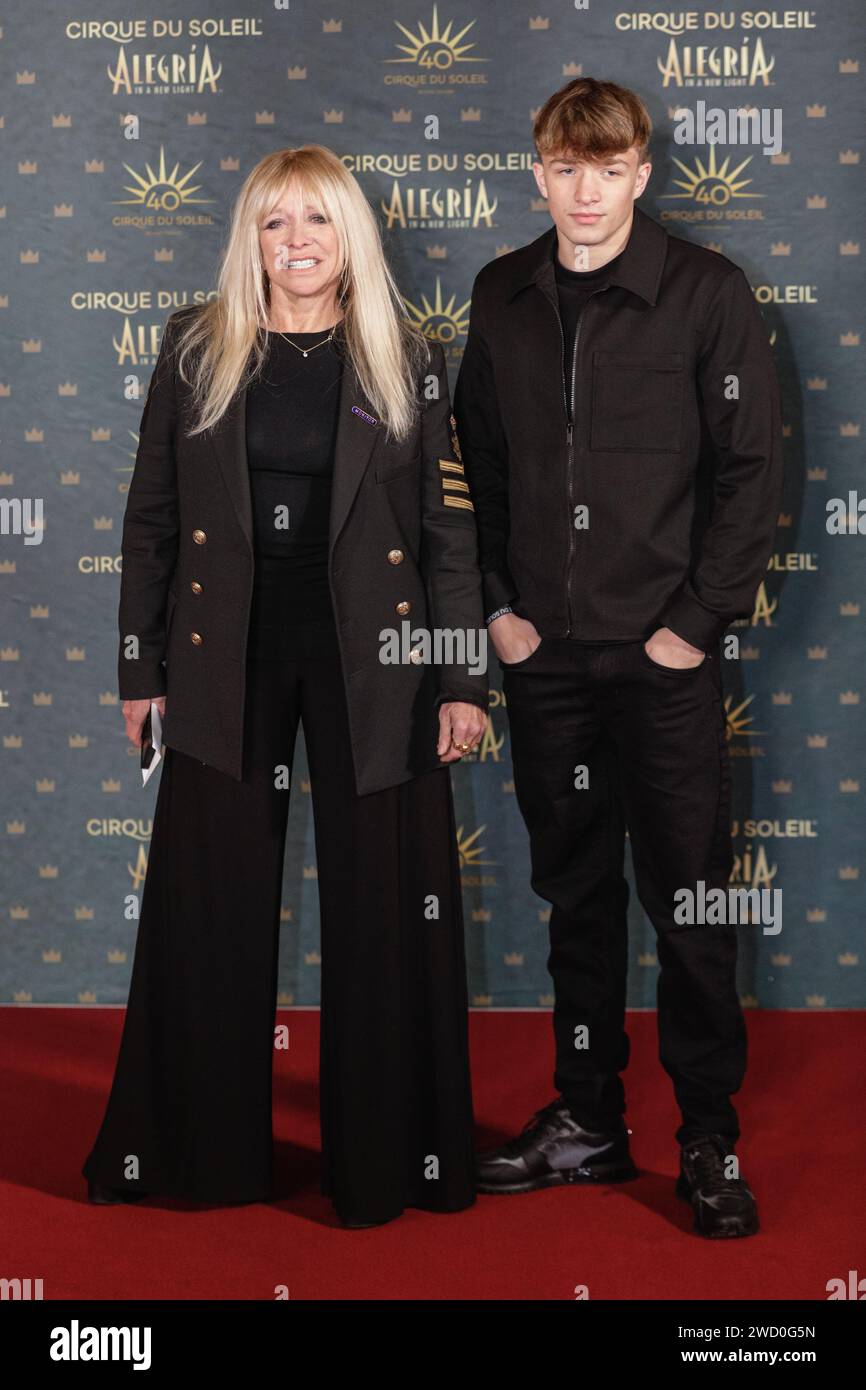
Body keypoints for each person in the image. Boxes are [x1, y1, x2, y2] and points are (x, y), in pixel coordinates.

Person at [82, 144, 488, 1228]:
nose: (296, 241)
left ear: (348, 232)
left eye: (315, 219)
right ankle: (199, 1158)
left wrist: (461, 681)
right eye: (274, 222)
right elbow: (151, 520)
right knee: (206, 901)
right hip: (227, 644)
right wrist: (141, 665)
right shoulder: (192, 347)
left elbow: (449, 535)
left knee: (384, 905)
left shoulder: (407, 354)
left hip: (378, 653)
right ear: (249, 237)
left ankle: (390, 1164)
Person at [453, 78, 783, 1238]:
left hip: (667, 665)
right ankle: (586, 1119)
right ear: (536, 172)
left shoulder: (704, 293)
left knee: (689, 905)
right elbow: (475, 472)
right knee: (575, 902)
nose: (584, 192)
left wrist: (690, 626)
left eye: (608, 168)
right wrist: (496, 609)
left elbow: (753, 476)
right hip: (544, 663)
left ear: (641, 174)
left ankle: (706, 1140)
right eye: (563, 167)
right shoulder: (500, 295)